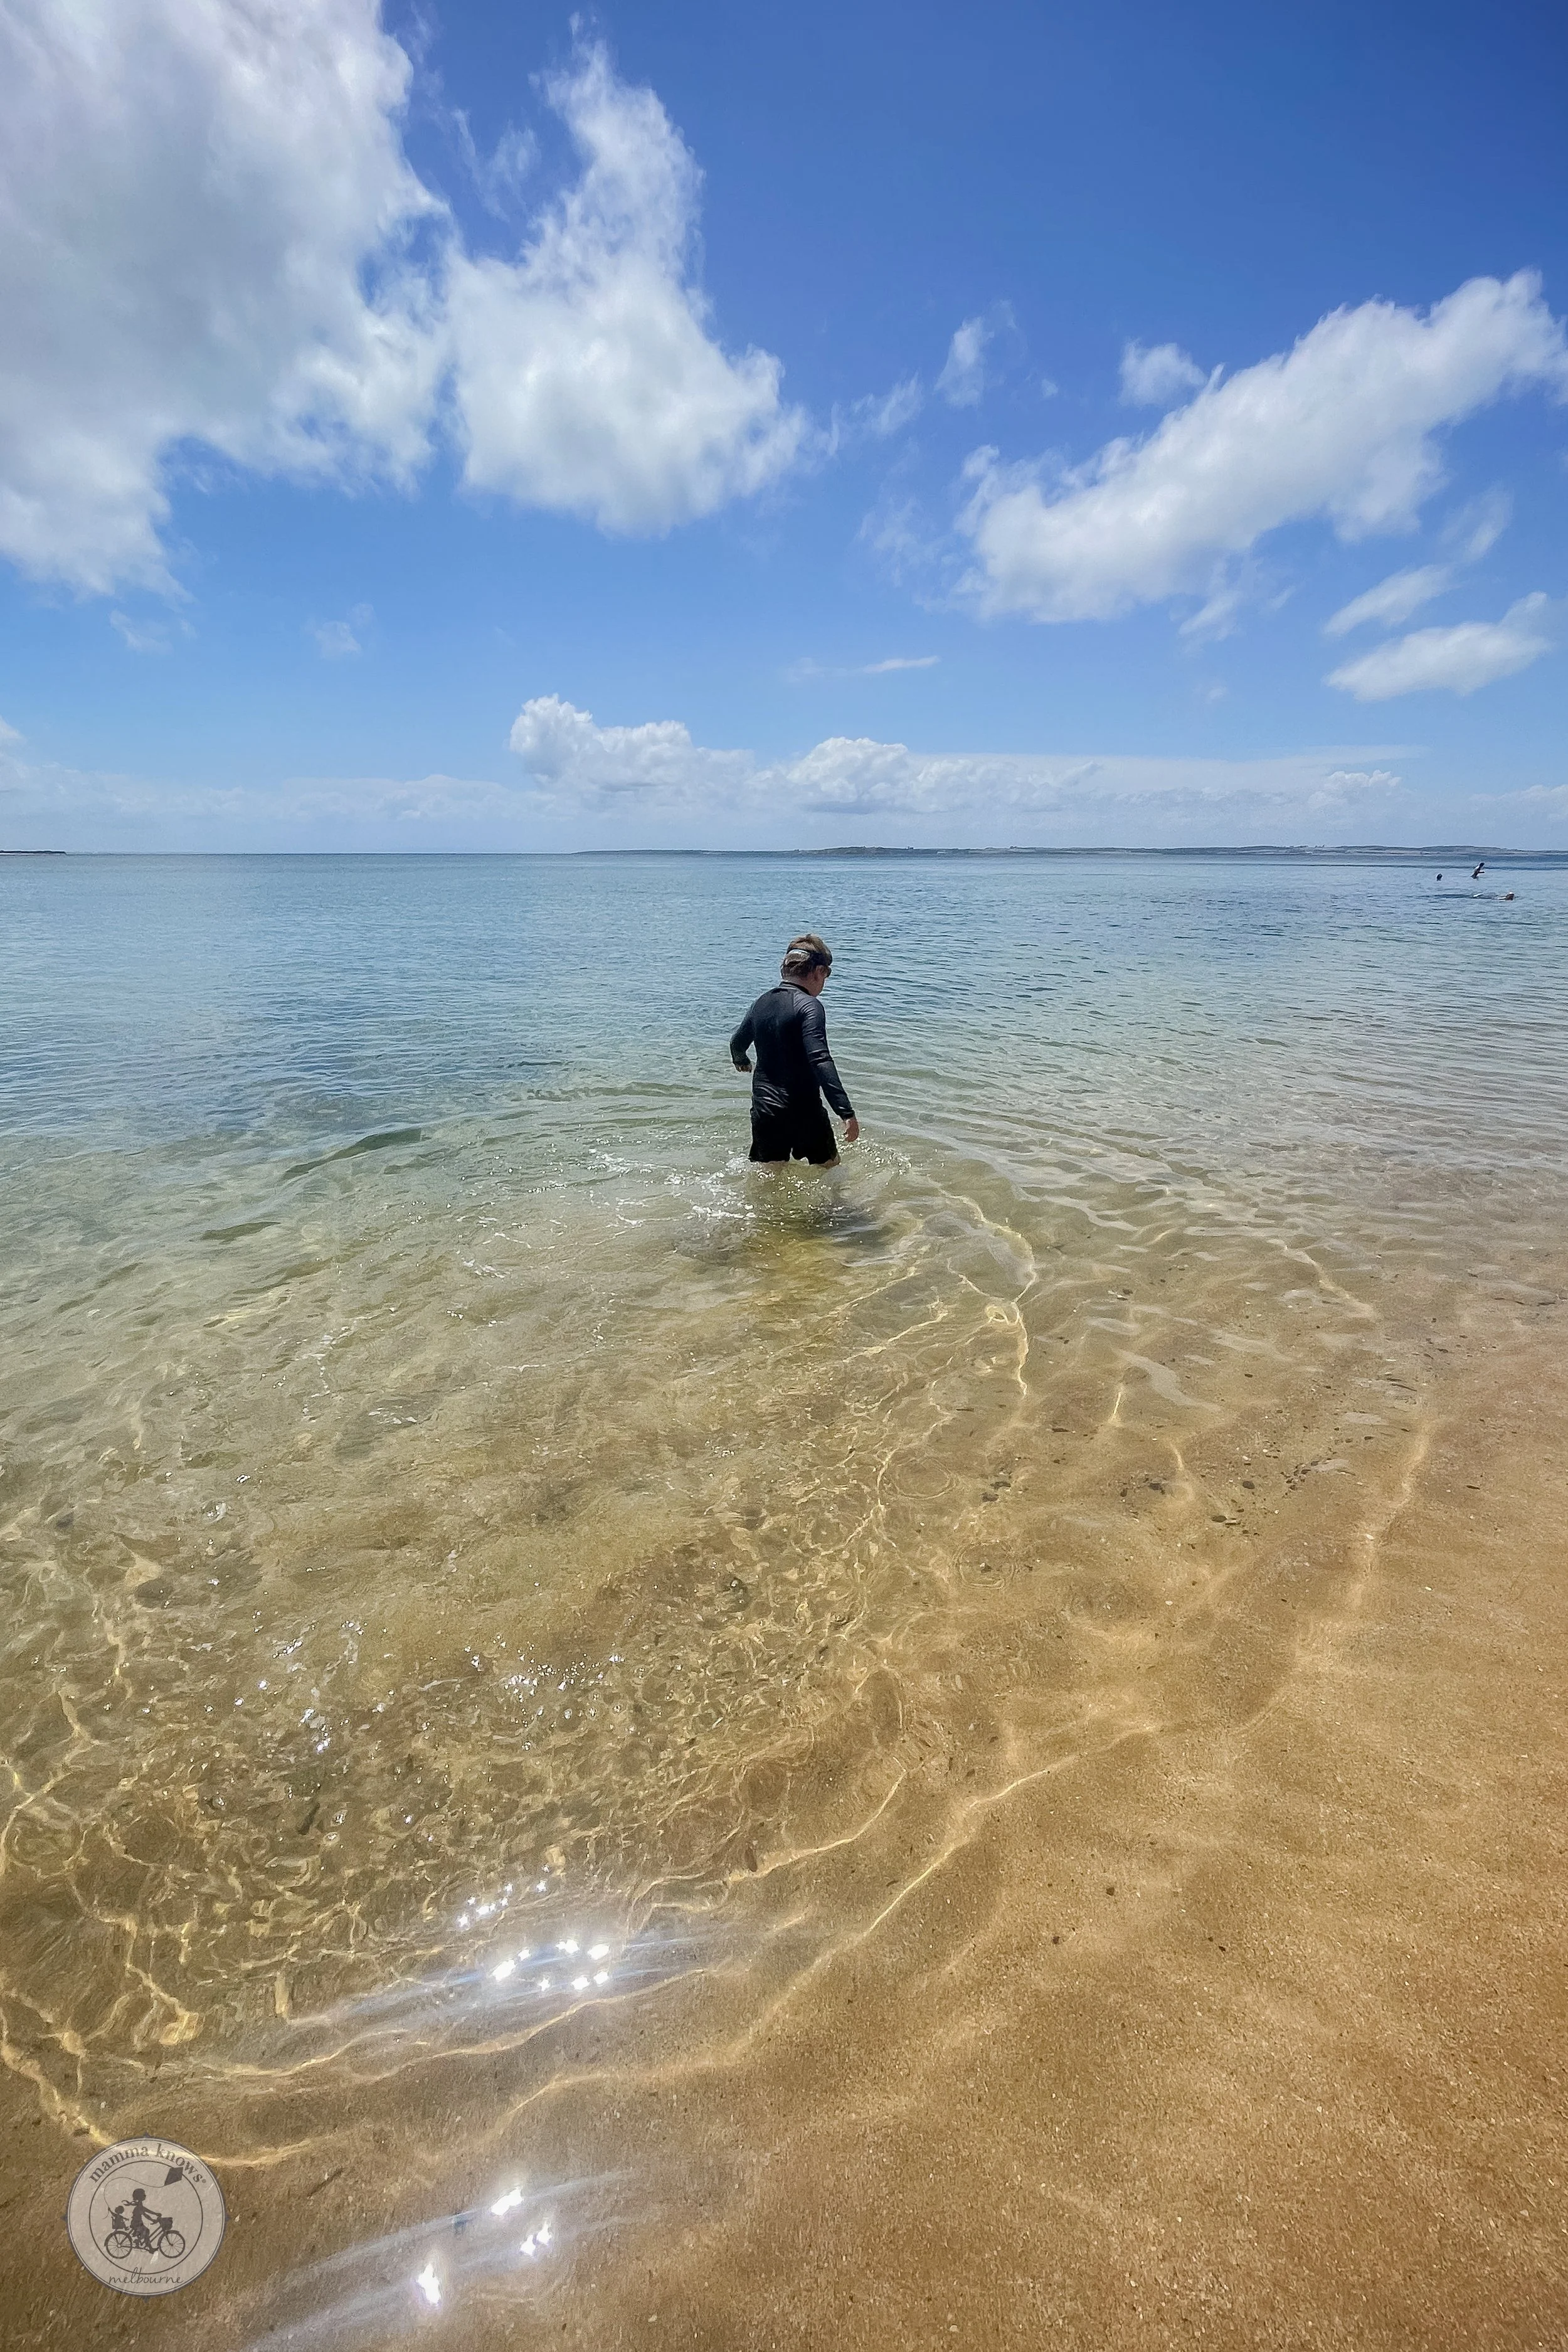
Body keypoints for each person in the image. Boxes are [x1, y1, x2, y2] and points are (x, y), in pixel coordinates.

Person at [729, 933, 860, 1167]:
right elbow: (820, 1059)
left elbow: (737, 1043)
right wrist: (845, 1112)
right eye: (827, 974)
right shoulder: (810, 1006)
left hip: (765, 1110)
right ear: (818, 971)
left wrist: (742, 1062)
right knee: (830, 1170)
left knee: (770, 1175)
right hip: (804, 1111)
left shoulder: (762, 1002)